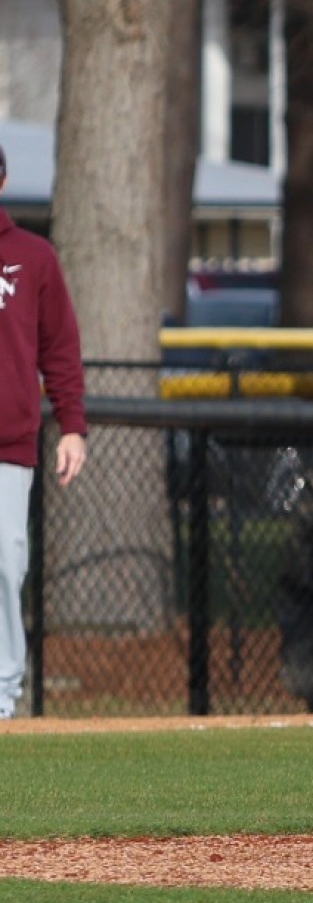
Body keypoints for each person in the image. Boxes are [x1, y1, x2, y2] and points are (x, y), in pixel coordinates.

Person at [0, 141, 88, 721]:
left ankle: (2, 698)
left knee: (7, 565)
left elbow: (60, 349)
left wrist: (72, 426)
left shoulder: (33, 256)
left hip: (9, 444)